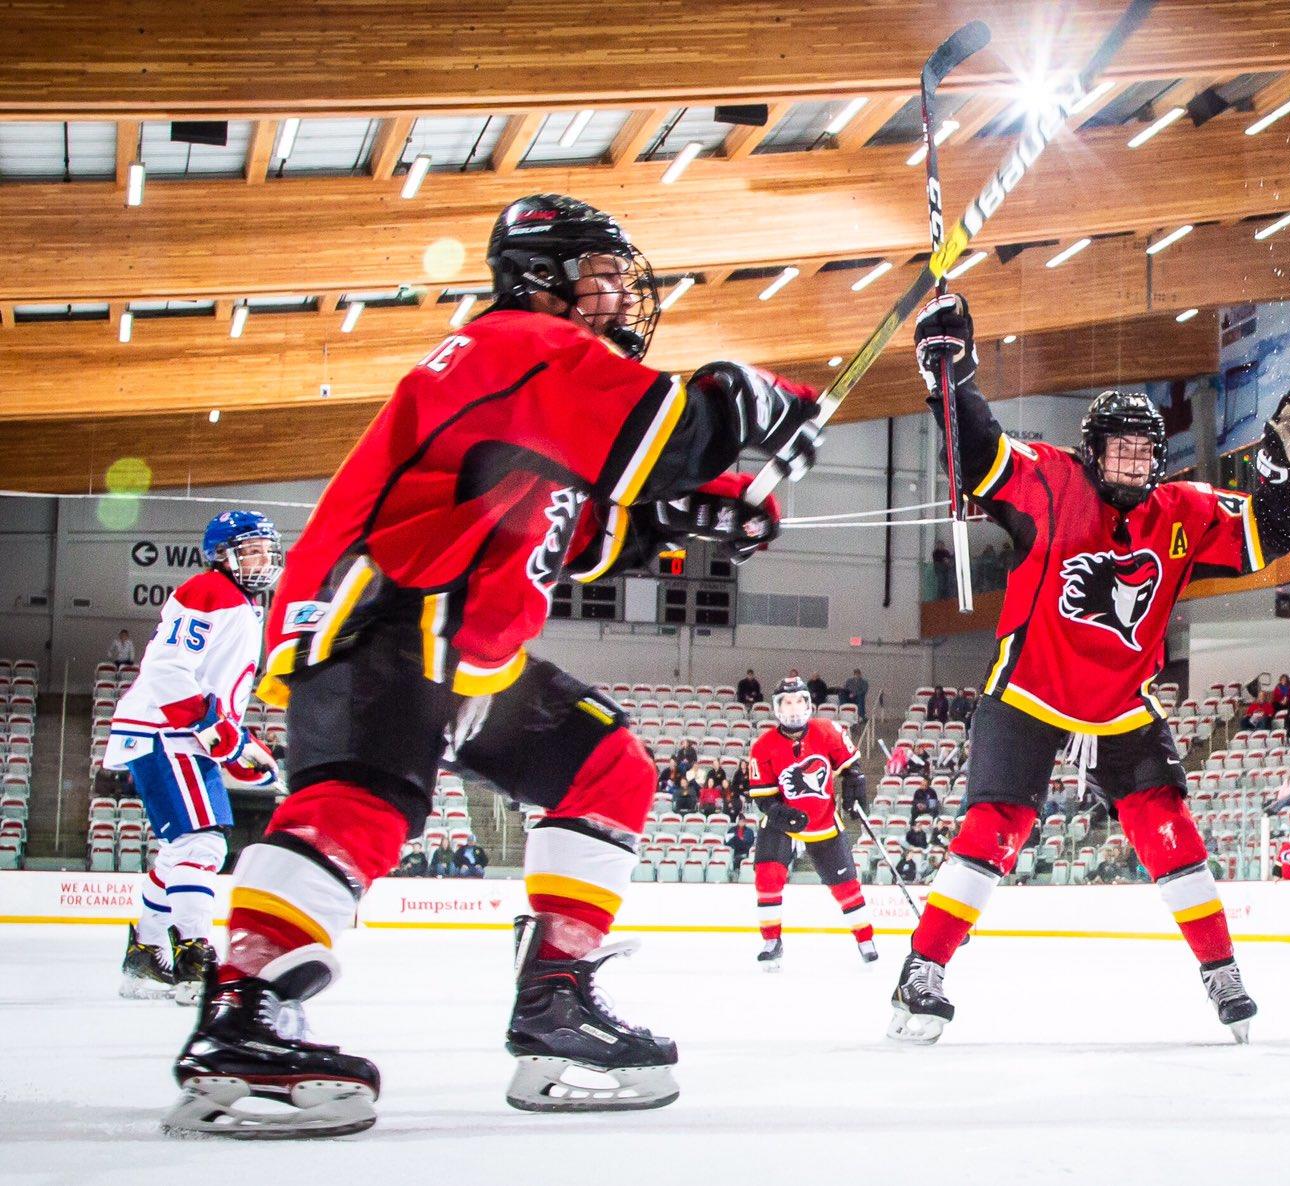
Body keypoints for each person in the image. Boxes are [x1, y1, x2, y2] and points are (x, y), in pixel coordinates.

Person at [162, 193, 822, 1139]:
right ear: (540, 279)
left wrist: (682, 515)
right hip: (386, 611)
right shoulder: (516, 345)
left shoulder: (542, 387)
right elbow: (668, 431)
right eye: (599, 277)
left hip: (461, 646)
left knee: (606, 767)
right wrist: (751, 400)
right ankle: (241, 1014)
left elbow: (572, 533)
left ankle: (555, 999)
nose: (617, 298)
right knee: (361, 802)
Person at [887, 293, 1290, 1046]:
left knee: (1168, 826)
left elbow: (1269, 536)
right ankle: (922, 968)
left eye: (1143, 450)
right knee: (997, 827)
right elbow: (979, 449)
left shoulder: (1183, 510)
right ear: (1092, 451)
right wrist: (953, 376)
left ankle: (1221, 970)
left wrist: (1285, 471)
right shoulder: (1049, 480)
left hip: (1122, 703)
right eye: (1119, 448)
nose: (1133, 461)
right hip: (1030, 691)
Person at [109, 510, 283, 1004]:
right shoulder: (209, 590)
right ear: (221, 555)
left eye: (266, 551)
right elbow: (167, 670)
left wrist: (239, 743)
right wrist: (220, 736)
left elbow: (213, 689)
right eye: (250, 551)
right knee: (201, 844)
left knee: (181, 851)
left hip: (176, 732)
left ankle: (145, 954)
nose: (262, 560)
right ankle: (193, 960)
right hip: (168, 731)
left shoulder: (242, 603)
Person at [747, 678, 876, 970]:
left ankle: (865, 939)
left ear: (807, 703)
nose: (793, 708)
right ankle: (771, 941)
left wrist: (855, 785)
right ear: (777, 707)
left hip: (823, 821)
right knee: (767, 877)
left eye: (798, 701)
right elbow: (763, 797)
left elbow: (850, 767)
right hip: (782, 822)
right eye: (787, 702)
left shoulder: (827, 730)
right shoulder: (763, 746)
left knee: (846, 886)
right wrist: (779, 813)